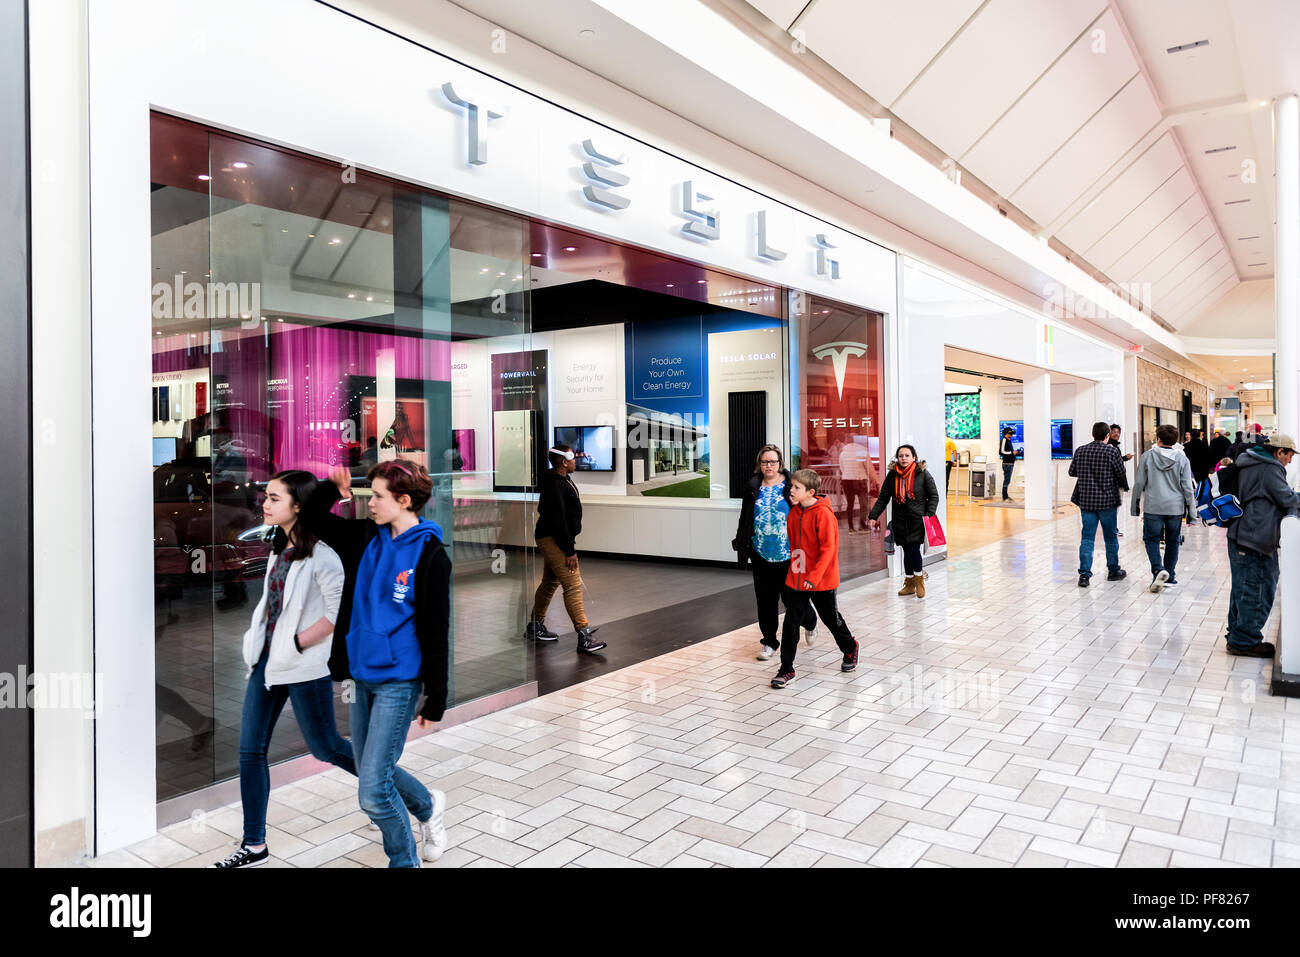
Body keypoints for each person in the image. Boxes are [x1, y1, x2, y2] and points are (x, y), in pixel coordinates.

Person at [309, 461, 451, 868]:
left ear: (404, 500)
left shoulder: (430, 555)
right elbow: (317, 520)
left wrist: (436, 698)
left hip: (399, 681)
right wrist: (332, 492)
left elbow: (436, 630)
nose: (370, 503)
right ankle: (428, 806)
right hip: (361, 675)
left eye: (378, 497)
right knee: (374, 768)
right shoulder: (366, 539)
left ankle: (403, 861)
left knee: (371, 790)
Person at [213, 470, 353, 868]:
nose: (264, 503)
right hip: (267, 663)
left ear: (298, 506)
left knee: (327, 747)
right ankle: (254, 844)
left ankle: (397, 790)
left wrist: (295, 643)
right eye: (266, 496)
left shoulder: (324, 557)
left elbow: (334, 614)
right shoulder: (278, 547)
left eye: (274, 498)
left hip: (304, 667)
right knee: (250, 751)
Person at [770, 469, 860, 689]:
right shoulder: (793, 514)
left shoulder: (823, 514)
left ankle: (850, 648)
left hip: (822, 579)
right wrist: (795, 572)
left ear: (810, 492)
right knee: (791, 622)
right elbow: (795, 546)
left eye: (796, 488)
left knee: (830, 618)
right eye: (791, 486)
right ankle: (786, 668)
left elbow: (828, 550)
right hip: (797, 579)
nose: (791, 490)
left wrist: (814, 576)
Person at [732, 444, 818, 661]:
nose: (768, 465)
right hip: (761, 553)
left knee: (793, 600)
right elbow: (745, 518)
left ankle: (810, 620)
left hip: (790, 554)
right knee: (765, 600)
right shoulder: (753, 487)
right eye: (764, 462)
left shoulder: (791, 485)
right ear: (759, 464)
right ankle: (769, 641)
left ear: (780, 463)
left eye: (772, 461)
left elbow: (806, 511)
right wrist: (743, 543)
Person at [1225, 434, 1300, 657]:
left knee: (1243, 585)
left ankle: (1238, 635)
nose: (1290, 460)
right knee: (1257, 586)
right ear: (1279, 452)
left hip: (1243, 533)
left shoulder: (1252, 461)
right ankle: (1245, 641)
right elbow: (1286, 498)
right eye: (1289, 455)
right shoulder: (1269, 468)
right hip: (1254, 536)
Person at [524, 445, 605, 653]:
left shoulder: (561, 481)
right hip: (553, 538)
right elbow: (558, 519)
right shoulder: (555, 484)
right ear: (564, 461)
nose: (576, 461)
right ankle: (584, 634)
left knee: (550, 582)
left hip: (556, 537)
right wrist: (569, 550)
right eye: (573, 458)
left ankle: (535, 626)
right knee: (572, 583)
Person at [1130, 425, 1196, 595]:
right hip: (1175, 508)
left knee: (1151, 540)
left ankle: (1158, 570)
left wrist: (1135, 506)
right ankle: (1170, 575)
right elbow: (1188, 488)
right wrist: (1192, 513)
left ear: (1157, 439)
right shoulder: (1182, 459)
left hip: (1153, 506)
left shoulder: (1147, 457)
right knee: (1173, 541)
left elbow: (1138, 484)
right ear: (1175, 441)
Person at [868, 444, 940, 597]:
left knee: (913, 549)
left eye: (907, 455)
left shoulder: (923, 473)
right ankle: (909, 583)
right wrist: (873, 516)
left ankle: (919, 579)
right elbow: (883, 497)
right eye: (901, 456)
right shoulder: (892, 475)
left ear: (914, 457)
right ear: (897, 458)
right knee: (906, 551)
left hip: (917, 520)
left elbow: (933, 496)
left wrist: (928, 514)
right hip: (899, 520)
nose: (904, 458)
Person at [1070, 421, 1128, 588]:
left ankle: (1084, 576)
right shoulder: (1112, 451)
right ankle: (1113, 571)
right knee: (1110, 537)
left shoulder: (1081, 450)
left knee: (1087, 538)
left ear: (1093, 434)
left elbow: (1072, 472)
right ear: (1107, 435)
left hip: (1086, 501)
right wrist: (1125, 485)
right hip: (1107, 501)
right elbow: (1120, 473)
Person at [839, 438, 870, 532]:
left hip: (847, 480)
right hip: (860, 479)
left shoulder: (843, 453)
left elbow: (842, 467)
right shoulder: (862, 451)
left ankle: (851, 527)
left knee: (850, 504)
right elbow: (867, 467)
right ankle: (862, 524)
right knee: (863, 504)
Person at [998, 427, 1017, 501]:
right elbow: (1001, 452)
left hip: (1010, 463)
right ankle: (1005, 496)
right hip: (1007, 463)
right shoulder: (1004, 440)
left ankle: (1005, 496)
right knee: (1006, 480)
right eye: (1010, 433)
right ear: (1006, 434)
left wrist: (1014, 453)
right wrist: (1012, 453)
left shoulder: (1009, 441)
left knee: (1007, 480)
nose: (1012, 435)